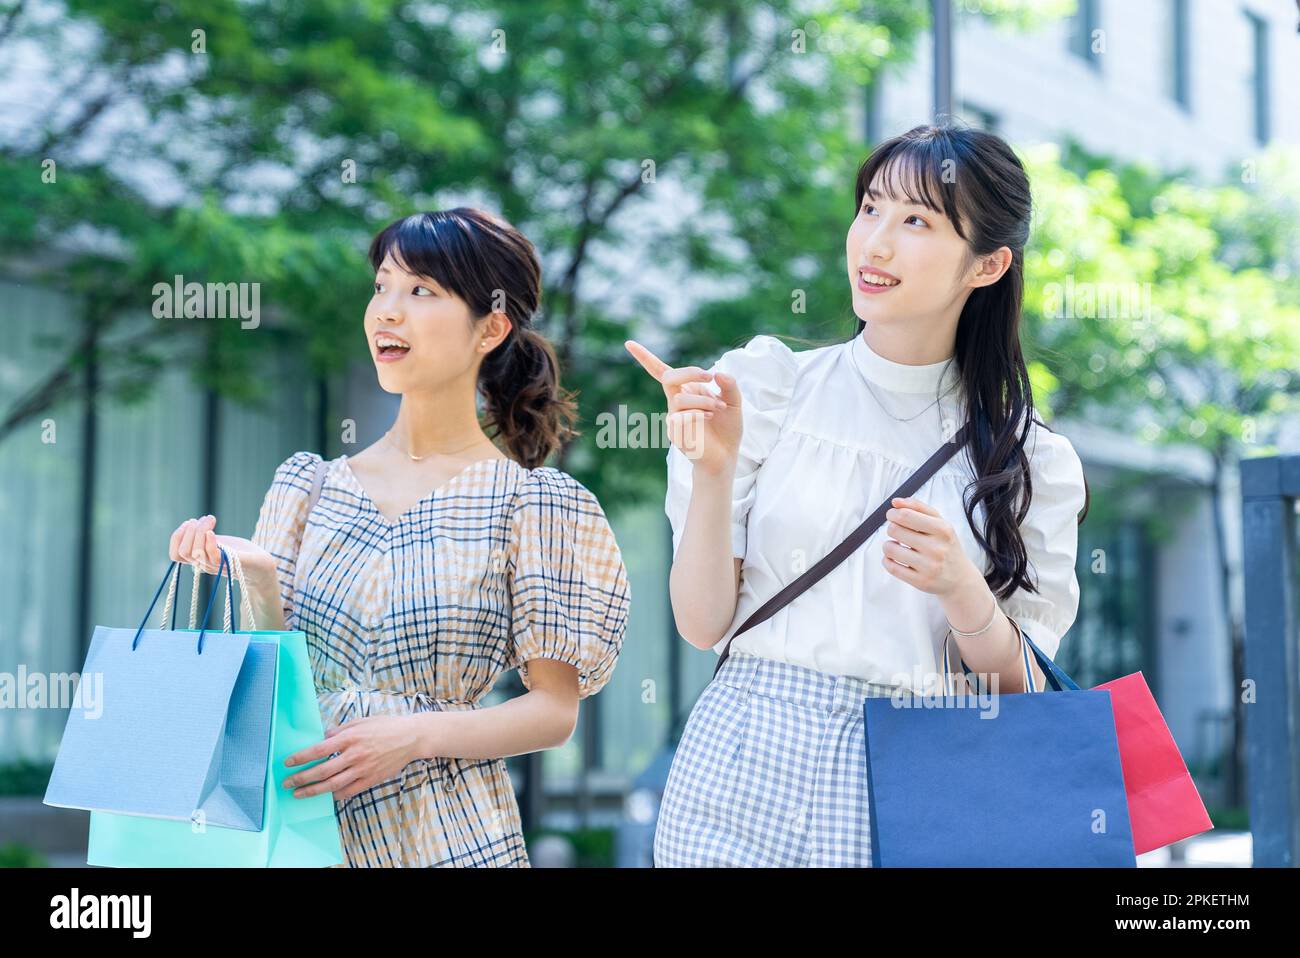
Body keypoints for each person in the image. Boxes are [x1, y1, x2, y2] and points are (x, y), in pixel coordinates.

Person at [628, 123, 1090, 867]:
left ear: (988, 264)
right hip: (743, 761)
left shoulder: (1030, 460)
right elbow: (701, 620)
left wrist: (962, 589)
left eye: (916, 221)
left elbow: (1027, 692)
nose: (875, 244)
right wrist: (712, 474)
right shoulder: (768, 389)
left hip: (918, 778)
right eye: (871, 208)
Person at [168, 207, 631, 867]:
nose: (387, 310)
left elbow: (554, 712)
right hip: (302, 825)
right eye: (383, 286)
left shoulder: (535, 505)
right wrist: (255, 578)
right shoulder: (311, 488)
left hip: (446, 831)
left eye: (421, 291)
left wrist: (413, 736)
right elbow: (278, 684)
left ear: (491, 327)